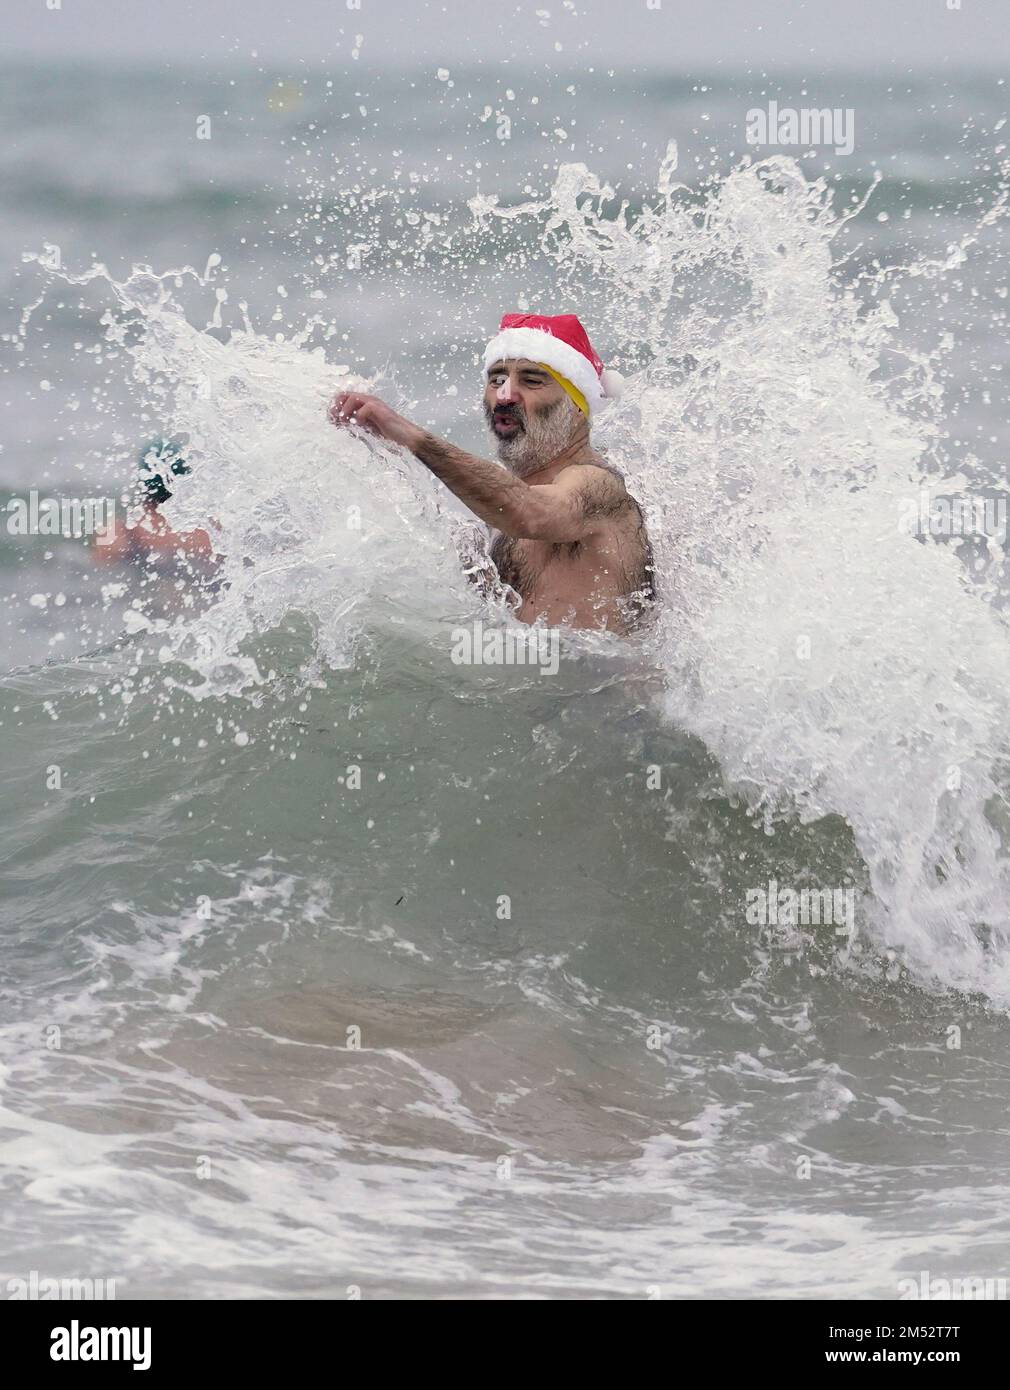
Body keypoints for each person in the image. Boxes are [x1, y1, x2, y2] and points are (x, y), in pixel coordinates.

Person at [328, 312, 655, 633]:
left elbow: (529, 513)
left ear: (577, 407)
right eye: (496, 379)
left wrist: (409, 435)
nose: (505, 395)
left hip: (601, 682)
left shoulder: (598, 487)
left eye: (531, 380)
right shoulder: (495, 513)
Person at [94, 438, 216, 574]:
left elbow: (100, 567)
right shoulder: (208, 534)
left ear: (142, 479)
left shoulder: (122, 533)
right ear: (186, 480)